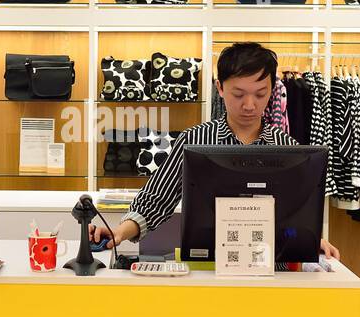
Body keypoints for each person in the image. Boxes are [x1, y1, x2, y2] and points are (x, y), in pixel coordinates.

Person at [90, 42, 340, 260]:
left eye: (260, 94)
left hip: (274, 265)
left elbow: (297, 213)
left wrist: (310, 241)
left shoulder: (288, 149)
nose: (249, 105)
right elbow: (156, 199)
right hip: (208, 267)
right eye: (238, 94)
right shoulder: (195, 140)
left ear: (272, 90)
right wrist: (119, 231)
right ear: (220, 88)